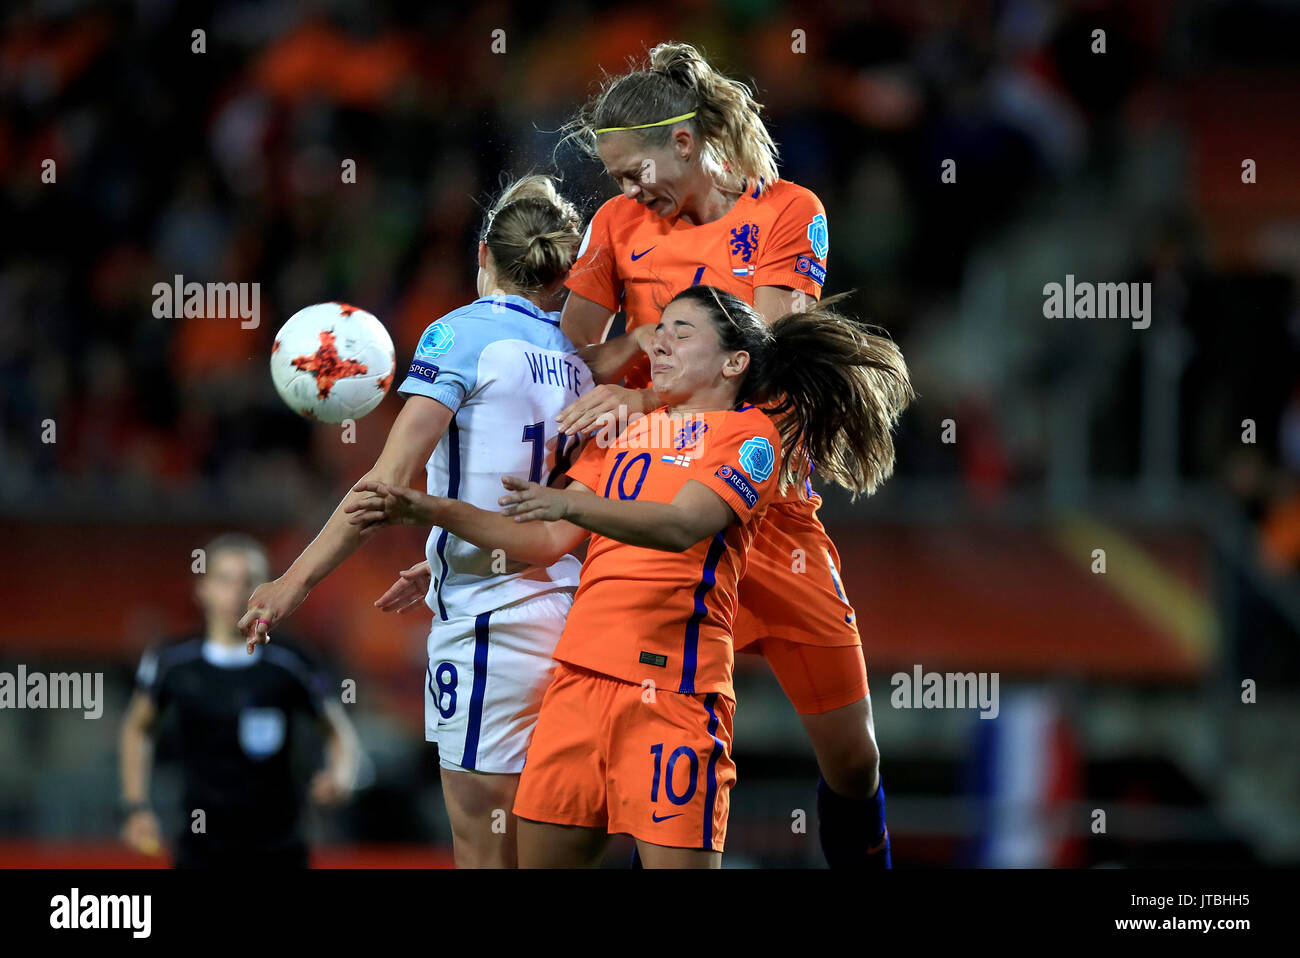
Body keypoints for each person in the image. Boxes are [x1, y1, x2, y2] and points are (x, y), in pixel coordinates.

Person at [347, 285, 912, 867]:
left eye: (681, 332)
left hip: (674, 697)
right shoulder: (620, 432)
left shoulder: (749, 439)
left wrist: (568, 505)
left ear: (735, 361)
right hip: (577, 686)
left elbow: (679, 524)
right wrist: (433, 514)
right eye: (660, 328)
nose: (658, 343)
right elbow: (541, 540)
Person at [554, 41, 897, 867]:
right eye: (614, 179)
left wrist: (641, 394)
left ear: (684, 142)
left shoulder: (788, 211)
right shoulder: (614, 227)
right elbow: (562, 355)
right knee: (633, 757)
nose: (629, 191)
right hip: (657, 517)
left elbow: (768, 360)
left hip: (770, 512)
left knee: (853, 761)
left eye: (636, 170)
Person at [238, 175, 590, 868]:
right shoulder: (574, 358)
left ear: (482, 251)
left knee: (483, 846)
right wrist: (436, 561)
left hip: (492, 624)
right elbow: (516, 485)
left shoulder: (458, 334)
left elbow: (384, 486)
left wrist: (293, 583)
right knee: (542, 844)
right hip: (566, 611)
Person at [120, 533, 360, 868]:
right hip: (199, 843)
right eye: (225, 580)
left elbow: (336, 728)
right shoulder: (171, 662)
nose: (237, 592)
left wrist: (342, 773)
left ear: (268, 588)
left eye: (250, 581)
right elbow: (138, 727)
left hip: (279, 844)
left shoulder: (292, 661)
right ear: (202, 588)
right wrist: (136, 807)